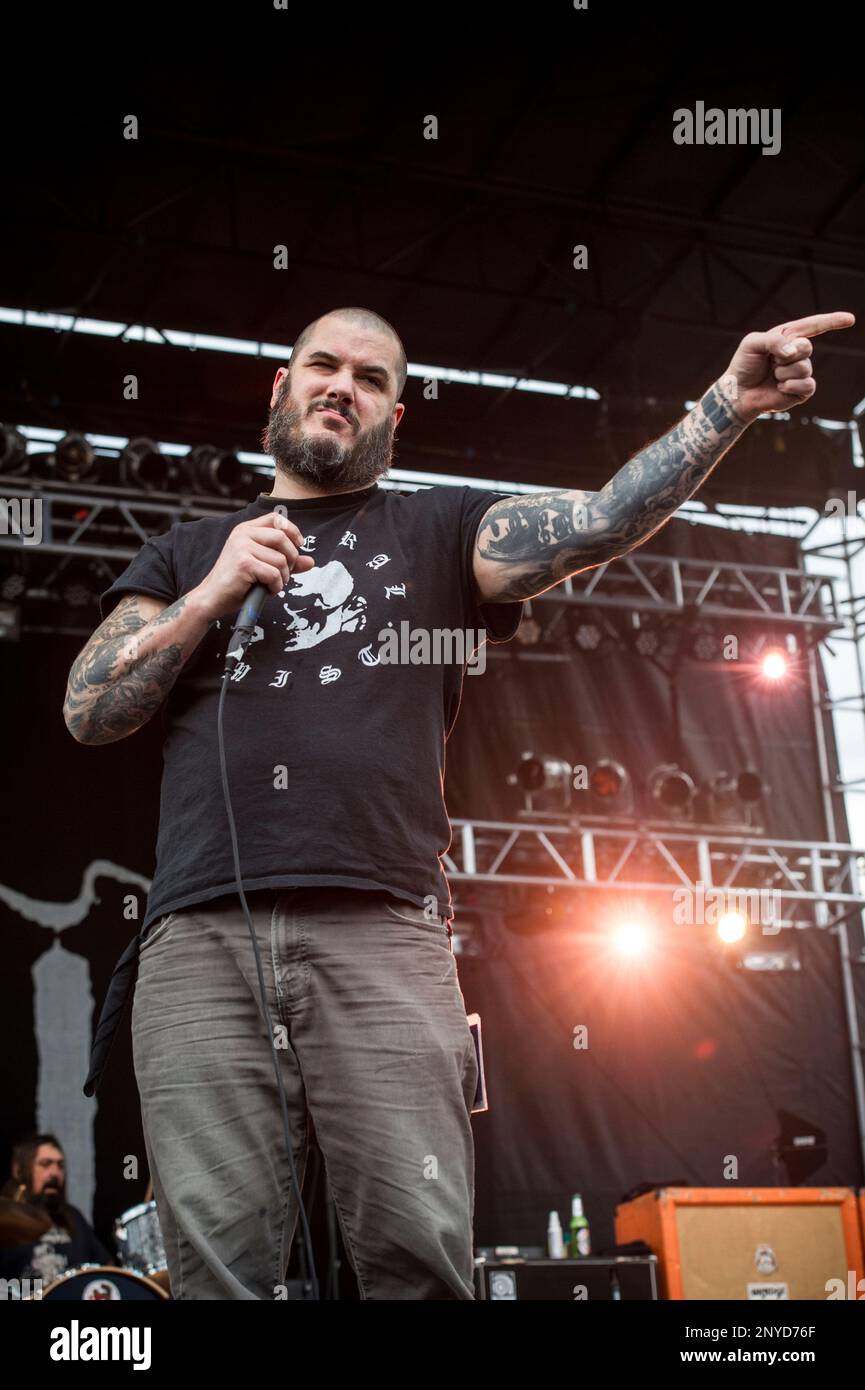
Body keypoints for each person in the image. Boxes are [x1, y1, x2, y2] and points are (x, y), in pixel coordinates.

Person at [63, 304, 853, 1299]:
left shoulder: (440, 529)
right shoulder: (187, 552)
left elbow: (601, 518)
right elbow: (91, 710)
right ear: (280, 388)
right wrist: (213, 591)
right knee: (218, 1268)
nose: (341, 386)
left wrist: (725, 406)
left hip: (383, 929)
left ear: (396, 420)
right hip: (201, 939)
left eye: (371, 378)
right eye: (322, 365)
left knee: (415, 1252)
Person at [0, 1133, 111, 1288]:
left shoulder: (73, 1217)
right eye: (46, 1164)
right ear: (19, 1171)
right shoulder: (6, 1221)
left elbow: (106, 1270)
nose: (55, 1173)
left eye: (60, 1165)